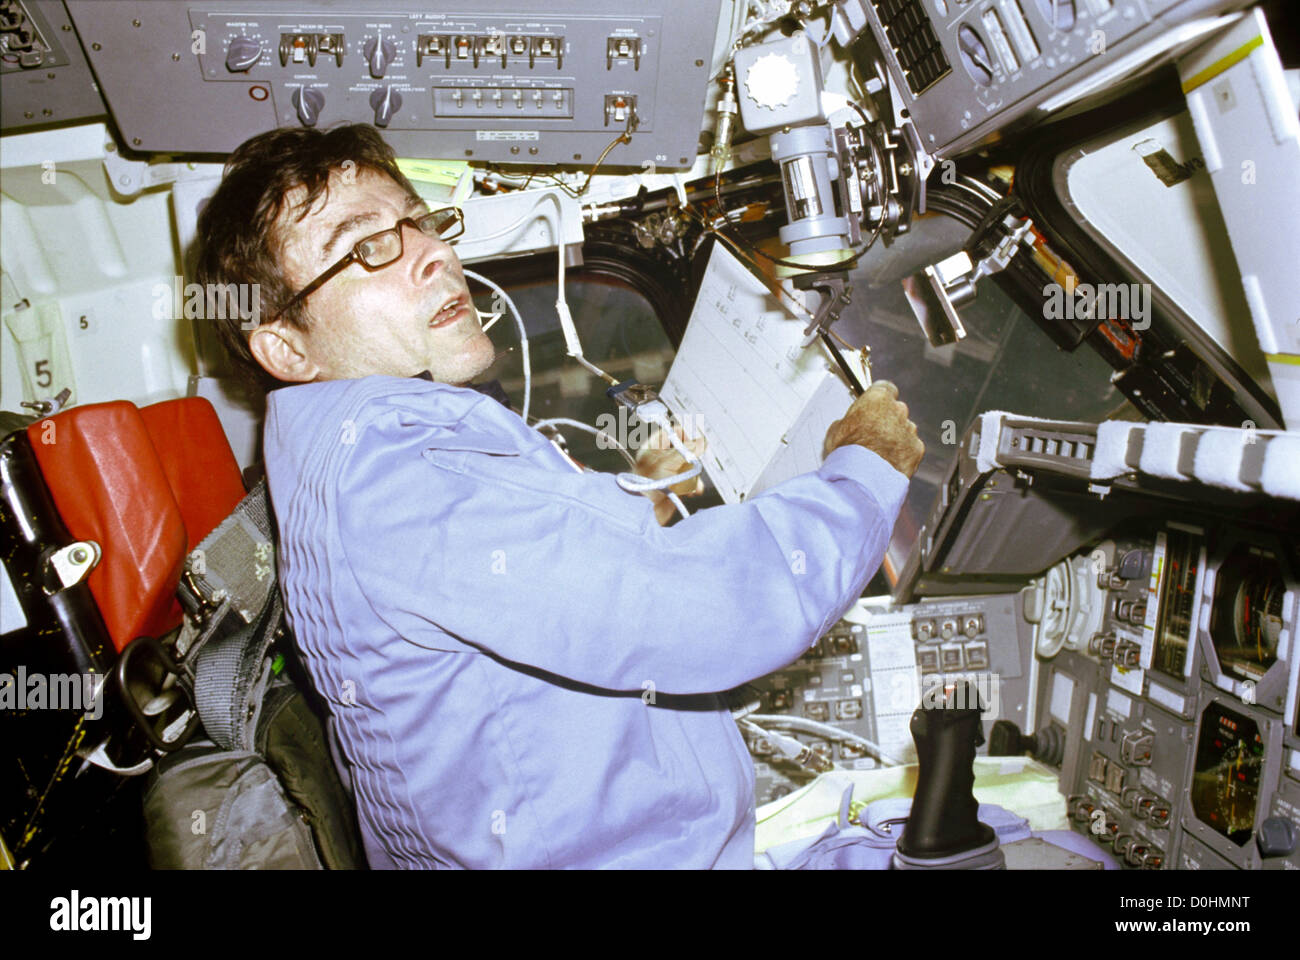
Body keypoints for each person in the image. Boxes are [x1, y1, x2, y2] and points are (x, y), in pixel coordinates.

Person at [193, 123, 924, 869]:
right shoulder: (406, 477)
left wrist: (646, 498)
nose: (434, 254)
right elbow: (710, 612)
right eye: (367, 246)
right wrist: (865, 468)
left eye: (419, 222)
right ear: (288, 347)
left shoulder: (352, 454)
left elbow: (521, 572)